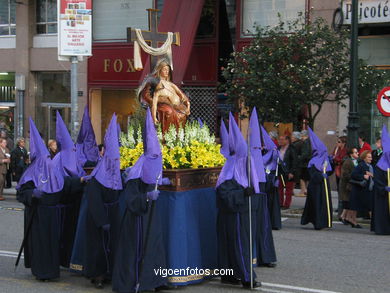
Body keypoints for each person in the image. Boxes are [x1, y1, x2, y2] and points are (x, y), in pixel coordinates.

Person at [16, 118, 86, 281]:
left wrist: (81, 181)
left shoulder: (51, 170)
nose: (48, 161)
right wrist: (32, 193)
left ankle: (52, 271)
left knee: (52, 244)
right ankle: (41, 272)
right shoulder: (30, 172)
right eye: (45, 158)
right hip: (38, 215)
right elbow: (22, 192)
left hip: (52, 215)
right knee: (40, 245)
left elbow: (65, 184)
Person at [112, 108, 169, 293]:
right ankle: (134, 281)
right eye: (153, 157)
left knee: (154, 248)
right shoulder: (134, 177)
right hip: (137, 222)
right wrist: (146, 197)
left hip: (152, 221)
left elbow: (154, 177)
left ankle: (154, 281)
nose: (156, 160)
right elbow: (131, 201)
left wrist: (161, 182)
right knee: (137, 252)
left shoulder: (151, 171)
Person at [215, 113, 260, 288]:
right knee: (238, 245)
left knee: (235, 245)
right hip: (234, 216)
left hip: (241, 214)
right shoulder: (229, 172)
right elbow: (225, 195)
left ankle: (231, 274)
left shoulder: (242, 168)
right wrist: (243, 194)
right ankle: (247, 277)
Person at [83, 114, 122, 289]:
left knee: (112, 246)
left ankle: (110, 273)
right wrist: (101, 221)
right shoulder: (97, 176)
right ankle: (97, 275)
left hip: (113, 215)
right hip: (99, 220)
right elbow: (93, 200)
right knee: (98, 247)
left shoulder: (117, 173)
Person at [55, 111, 86, 267]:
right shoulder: (57, 160)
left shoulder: (71, 157)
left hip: (73, 205)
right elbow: (59, 183)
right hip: (62, 207)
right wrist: (79, 181)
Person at [249, 109, 276, 268]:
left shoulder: (260, 155)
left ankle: (264, 256)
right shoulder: (249, 157)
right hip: (254, 195)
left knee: (263, 227)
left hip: (261, 196)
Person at [138, 58, 190, 133]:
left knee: (182, 114)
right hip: (161, 105)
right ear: (160, 70)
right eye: (164, 69)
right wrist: (157, 101)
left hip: (175, 105)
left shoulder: (170, 84)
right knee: (168, 111)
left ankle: (179, 135)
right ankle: (166, 135)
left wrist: (187, 103)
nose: (167, 71)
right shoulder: (155, 81)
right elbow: (146, 94)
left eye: (168, 69)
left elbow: (181, 95)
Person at [301, 127, 333, 230]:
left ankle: (325, 222)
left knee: (324, 204)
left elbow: (329, 171)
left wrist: (331, 165)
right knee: (316, 205)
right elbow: (313, 175)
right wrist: (320, 176)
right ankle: (318, 223)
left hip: (324, 186)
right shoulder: (313, 161)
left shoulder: (325, 160)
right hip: (316, 187)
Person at [261, 125, 282, 230]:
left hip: (270, 179)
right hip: (269, 178)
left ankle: (271, 222)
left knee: (271, 202)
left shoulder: (272, 152)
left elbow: (264, 162)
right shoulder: (270, 151)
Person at [348, 150, 374, 228]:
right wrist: (363, 176)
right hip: (359, 189)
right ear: (364, 158)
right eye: (369, 157)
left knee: (358, 206)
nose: (371, 159)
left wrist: (371, 175)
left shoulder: (369, 166)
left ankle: (352, 220)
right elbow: (353, 175)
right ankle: (353, 221)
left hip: (366, 189)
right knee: (357, 206)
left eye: (371, 157)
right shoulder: (361, 165)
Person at [373, 125, 390, 235]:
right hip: (382, 194)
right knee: (382, 211)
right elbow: (377, 179)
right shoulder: (380, 165)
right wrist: (384, 187)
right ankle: (382, 228)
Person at [338, 148, 359, 224]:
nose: (358, 153)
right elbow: (345, 175)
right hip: (347, 185)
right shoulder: (348, 162)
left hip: (351, 184)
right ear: (351, 154)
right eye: (356, 152)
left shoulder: (356, 161)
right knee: (347, 201)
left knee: (349, 201)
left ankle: (343, 216)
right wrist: (356, 176)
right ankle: (344, 217)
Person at [278, 135, 298, 209]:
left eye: (282, 139)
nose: (280, 141)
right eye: (279, 139)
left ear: (287, 140)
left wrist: (292, 172)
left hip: (288, 172)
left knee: (288, 190)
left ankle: (286, 204)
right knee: (279, 188)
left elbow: (295, 161)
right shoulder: (278, 148)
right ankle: (280, 203)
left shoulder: (292, 149)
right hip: (280, 171)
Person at [298, 130, 311, 196]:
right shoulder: (310, 141)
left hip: (304, 163)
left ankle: (303, 191)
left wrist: (299, 158)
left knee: (302, 178)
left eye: (302, 135)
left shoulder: (306, 142)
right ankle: (307, 191)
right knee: (307, 178)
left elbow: (305, 153)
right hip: (308, 163)